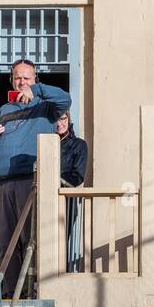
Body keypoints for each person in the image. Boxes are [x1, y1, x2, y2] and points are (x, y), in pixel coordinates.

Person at [0, 60, 71, 297]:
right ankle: (12, 292)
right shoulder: (4, 110)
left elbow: (66, 99)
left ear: (35, 80)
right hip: (2, 183)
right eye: (17, 78)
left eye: (27, 78)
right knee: (5, 241)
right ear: (11, 81)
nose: (21, 82)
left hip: (29, 181)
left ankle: (32, 292)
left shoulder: (46, 107)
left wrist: (36, 92)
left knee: (29, 240)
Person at [56, 111, 89, 272]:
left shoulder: (79, 145)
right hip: (40, 201)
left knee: (61, 243)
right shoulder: (40, 142)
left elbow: (78, 176)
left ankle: (58, 280)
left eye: (63, 118)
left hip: (66, 202)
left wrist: (55, 180)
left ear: (69, 119)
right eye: (54, 119)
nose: (59, 123)